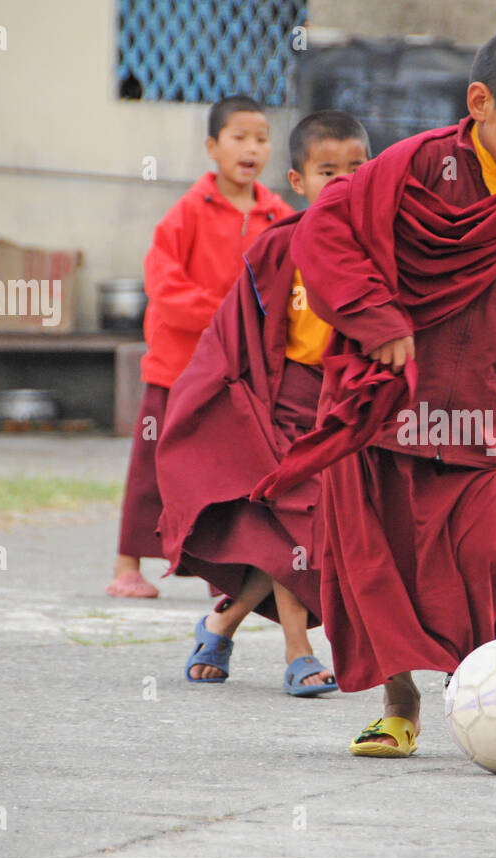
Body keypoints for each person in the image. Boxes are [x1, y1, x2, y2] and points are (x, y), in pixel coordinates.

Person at [267, 24, 496, 754]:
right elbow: (324, 232)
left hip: (474, 418)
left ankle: (478, 699)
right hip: (386, 407)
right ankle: (400, 701)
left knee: (481, 562)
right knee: (382, 566)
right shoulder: (411, 169)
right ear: (480, 101)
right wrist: (374, 317)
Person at [155, 111, 371, 694]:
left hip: (342, 407)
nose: (345, 181)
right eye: (329, 171)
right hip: (283, 403)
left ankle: (221, 622)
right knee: (298, 525)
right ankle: (298, 652)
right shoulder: (282, 248)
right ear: (298, 183)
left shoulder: (379, 250)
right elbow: (235, 339)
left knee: (303, 532)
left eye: (358, 168)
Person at [107, 96, 294, 598]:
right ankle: (129, 565)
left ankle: (224, 572)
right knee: (152, 466)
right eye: (239, 137)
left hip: (238, 376)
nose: (251, 147)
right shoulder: (186, 213)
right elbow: (165, 288)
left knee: (228, 474)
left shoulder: (278, 217)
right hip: (176, 368)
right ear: (213, 147)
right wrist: (228, 314)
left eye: (261, 137)